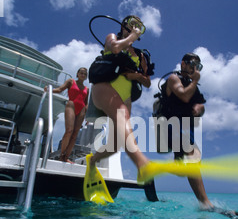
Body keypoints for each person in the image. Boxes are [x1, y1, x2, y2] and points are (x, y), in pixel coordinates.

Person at [89, 15, 151, 170]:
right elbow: (115, 48)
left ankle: (93, 160)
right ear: (123, 26)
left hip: (126, 97)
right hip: (104, 88)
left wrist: (136, 76)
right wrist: (132, 37)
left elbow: (148, 82)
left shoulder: (141, 55)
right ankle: (142, 163)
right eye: (132, 24)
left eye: (138, 26)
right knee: (122, 115)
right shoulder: (113, 37)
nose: (135, 28)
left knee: (115, 144)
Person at [162, 53, 213, 209]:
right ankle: (205, 203)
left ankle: (178, 165)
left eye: (198, 66)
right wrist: (196, 80)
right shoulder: (173, 79)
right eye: (192, 64)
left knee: (193, 158)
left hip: (186, 128)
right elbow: (183, 96)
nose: (194, 68)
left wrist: (200, 108)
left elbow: (200, 105)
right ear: (183, 64)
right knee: (192, 155)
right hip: (169, 125)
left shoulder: (194, 87)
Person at [45, 67, 89, 163]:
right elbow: (60, 89)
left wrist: (87, 116)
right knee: (69, 131)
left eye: (85, 74)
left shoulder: (87, 89)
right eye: (81, 73)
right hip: (71, 105)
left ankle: (66, 157)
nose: (83, 75)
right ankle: (61, 155)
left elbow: (86, 103)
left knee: (75, 135)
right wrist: (50, 90)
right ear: (77, 74)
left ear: (86, 77)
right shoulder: (71, 81)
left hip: (81, 110)